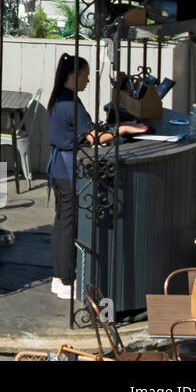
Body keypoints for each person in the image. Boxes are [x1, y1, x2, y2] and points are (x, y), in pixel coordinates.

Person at [45, 54, 124, 299]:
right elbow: (94, 138)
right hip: (68, 169)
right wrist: (123, 130)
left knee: (62, 222)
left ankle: (59, 277)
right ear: (74, 75)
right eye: (86, 76)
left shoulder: (59, 98)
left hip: (58, 168)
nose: (87, 81)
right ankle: (67, 280)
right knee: (69, 224)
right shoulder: (72, 105)